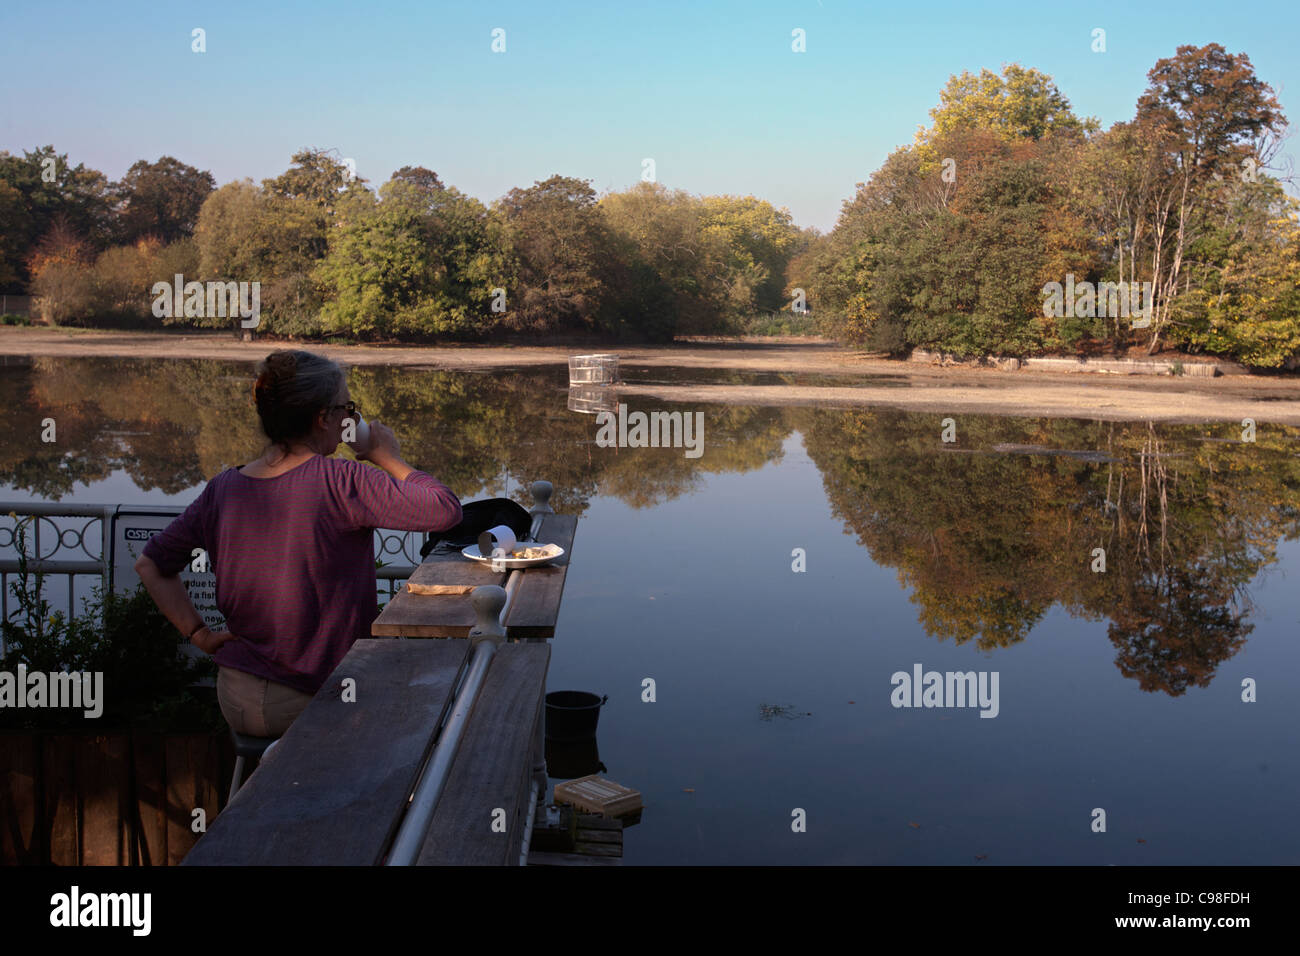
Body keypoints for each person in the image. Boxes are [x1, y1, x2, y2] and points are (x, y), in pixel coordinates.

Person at [135, 350, 462, 738]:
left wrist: (200, 635)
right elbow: (445, 510)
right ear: (323, 418)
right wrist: (386, 456)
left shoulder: (224, 488)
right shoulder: (340, 480)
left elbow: (150, 565)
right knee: (430, 712)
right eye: (347, 408)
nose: (351, 419)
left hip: (236, 694)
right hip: (314, 697)